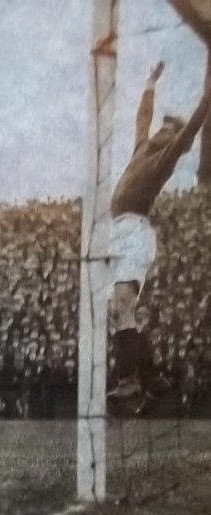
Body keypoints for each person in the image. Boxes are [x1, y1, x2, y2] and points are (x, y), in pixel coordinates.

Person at [107, 60, 211, 412]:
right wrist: (149, 83)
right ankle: (150, 378)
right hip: (117, 230)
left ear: (173, 140)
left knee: (122, 305)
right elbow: (141, 118)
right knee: (119, 313)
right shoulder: (142, 149)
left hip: (135, 231)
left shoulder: (165, 158)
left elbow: (191, 129)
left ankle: (129, 380)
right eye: (161, 126)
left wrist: (206, 98)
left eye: (167, 129)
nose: (159, 130)